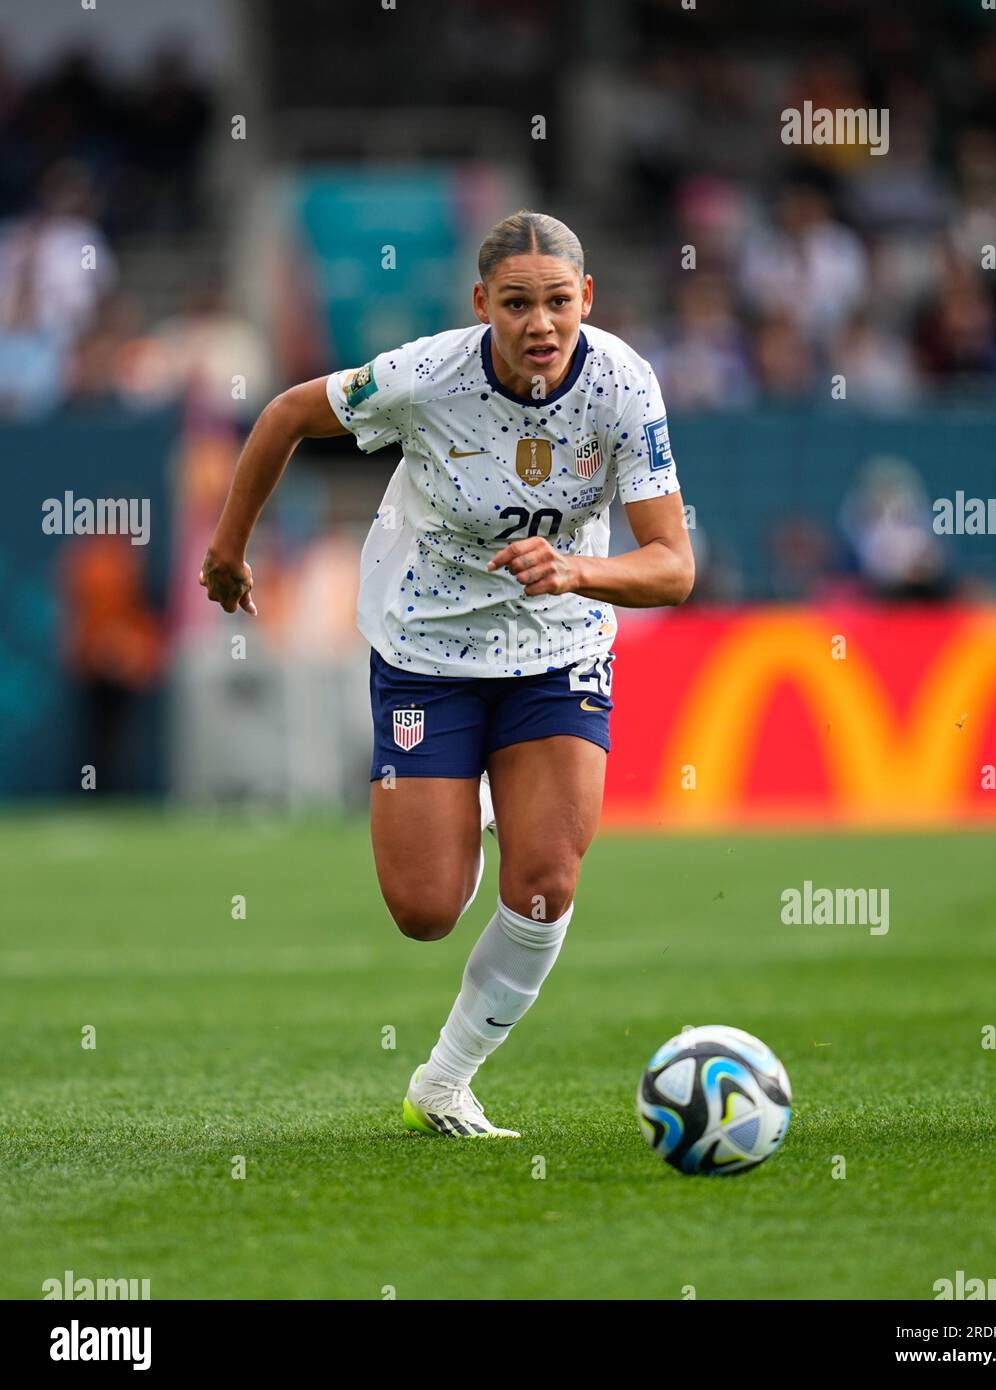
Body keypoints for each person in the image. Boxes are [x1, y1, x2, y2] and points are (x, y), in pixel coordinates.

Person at [199, 209, 694, 1138]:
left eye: (557, 302)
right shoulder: (425, 376)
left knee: (546, 879)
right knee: (424, 911)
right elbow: (283, 416)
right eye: (517, 304)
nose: (540, 323)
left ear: (586, 298)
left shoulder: (624, 384)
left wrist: (579, 569)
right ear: (482, 306)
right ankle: (466, 803)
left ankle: (446, 1078)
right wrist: (229, 550)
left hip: (558, 646)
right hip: (427, 646)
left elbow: (673, 566)